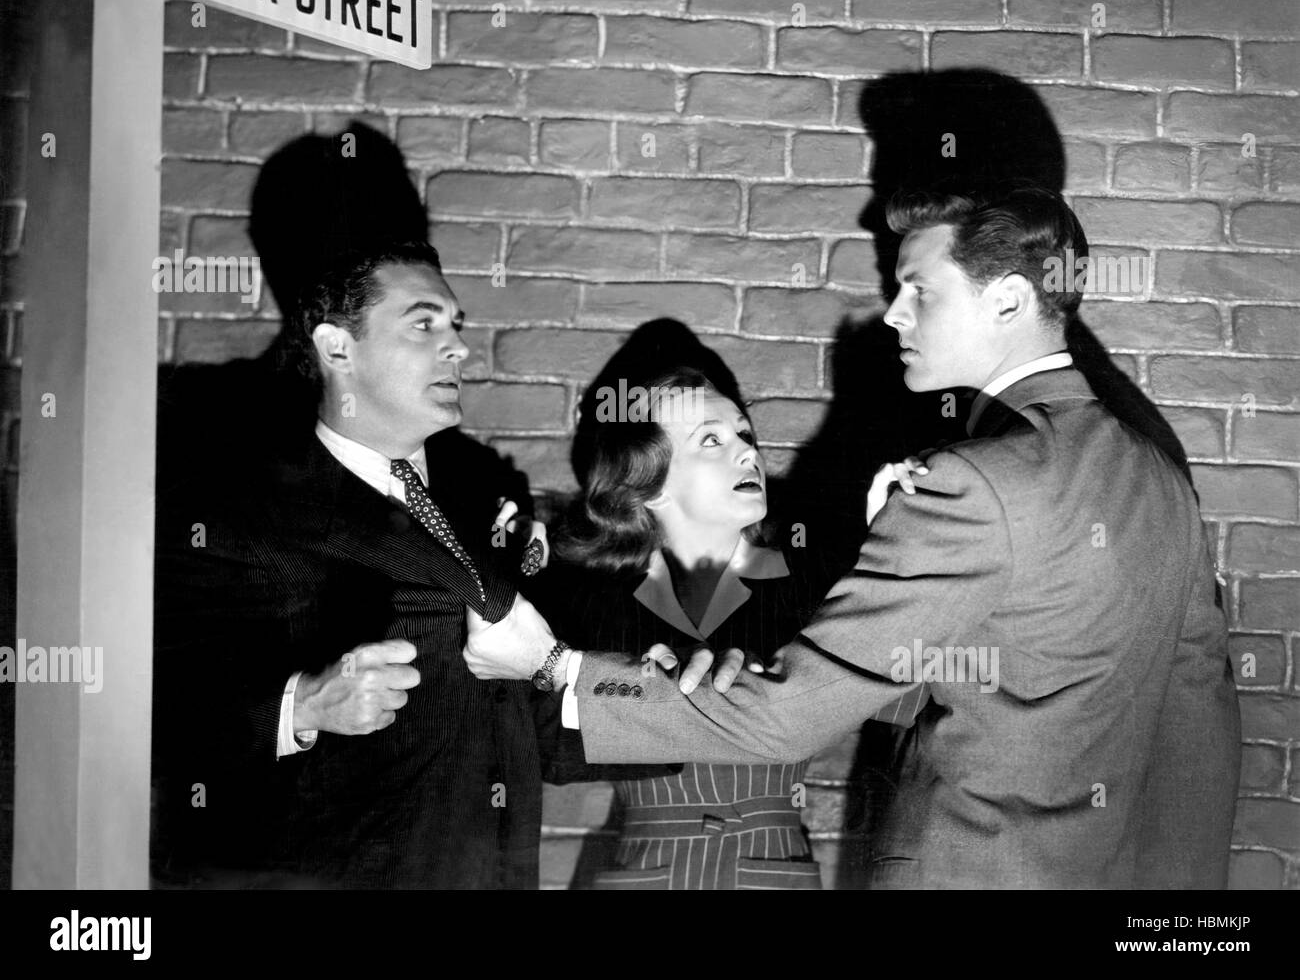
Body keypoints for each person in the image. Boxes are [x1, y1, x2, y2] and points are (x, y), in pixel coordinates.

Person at [463, 184, 1243, 890]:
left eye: (918, 291)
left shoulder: (971, 484)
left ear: (1007, 301)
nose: (894, 313)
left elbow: (790, 715)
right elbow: (1198, 726)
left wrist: (558, 666)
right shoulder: (1159, 476)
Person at [152, 241, 551, 889]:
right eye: (425, 323)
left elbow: (523, 704)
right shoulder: (243, 512)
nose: (458, 347)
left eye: (457, 326)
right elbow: (166, 713)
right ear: (338, 348)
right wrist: (301, 706)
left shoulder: (483, 494)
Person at [540, 366, 926, 889]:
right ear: (649, 485)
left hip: (775, 871)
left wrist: (887, 561)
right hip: (640, 873)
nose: (748, 452)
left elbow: (907, 699)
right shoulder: (583, 599)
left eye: (745, 434)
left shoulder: (816, 579)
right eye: (711, 440)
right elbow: (542, 743)